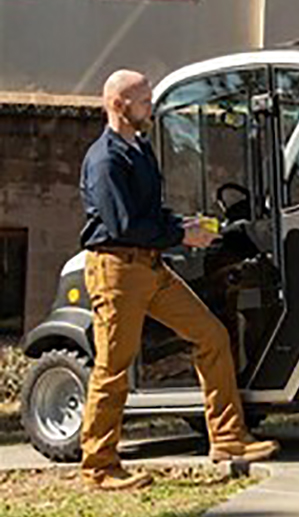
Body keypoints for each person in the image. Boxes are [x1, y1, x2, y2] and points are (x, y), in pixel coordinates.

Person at [78, 69, 279, 491]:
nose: (150, 106)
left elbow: (150, 214)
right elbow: (124, 224)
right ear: (119, 105)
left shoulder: (141, 149)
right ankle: (98, 466)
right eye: (144, 100)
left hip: (151, 266)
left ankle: (227, 440)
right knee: (113, 368)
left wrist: (184, 225)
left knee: (210, 335)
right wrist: (180, 234)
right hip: (116, 269)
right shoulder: (105, 159)